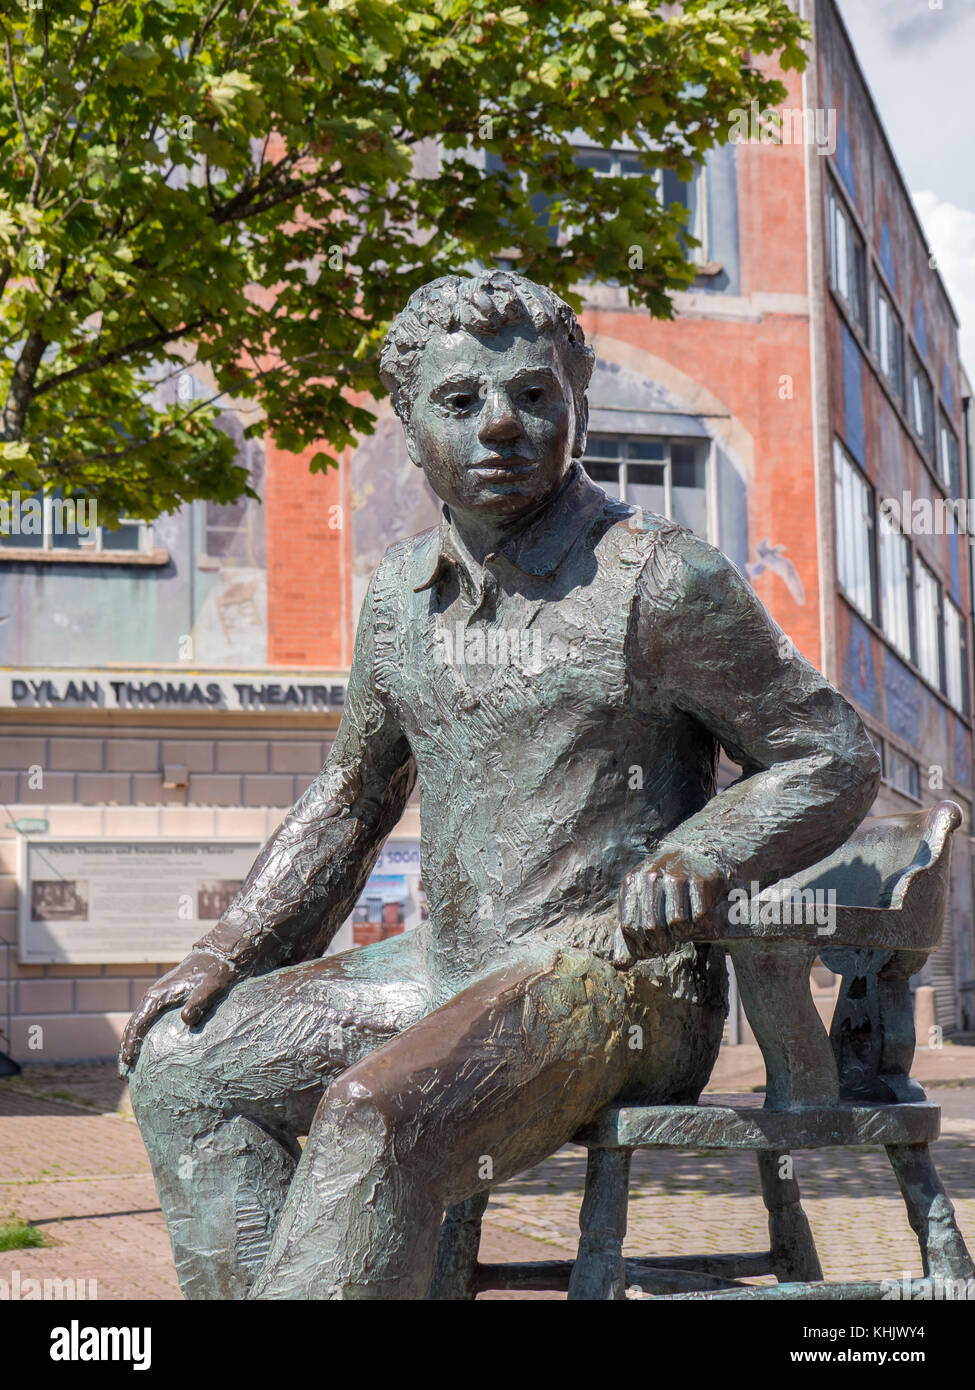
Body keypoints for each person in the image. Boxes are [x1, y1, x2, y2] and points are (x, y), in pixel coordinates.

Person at [120, 271, 880, 1299]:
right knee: (178, 1061)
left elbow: (830, 752)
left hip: (620, 984)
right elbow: (352, 796)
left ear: (577, 406)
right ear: (409, 421)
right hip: (450, 968)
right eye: (462, 401)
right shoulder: (396, 599)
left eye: (533, 396)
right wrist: (229, 949)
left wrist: (703, 850)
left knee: (373, 1112)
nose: (502, 427)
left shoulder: (658, 580)